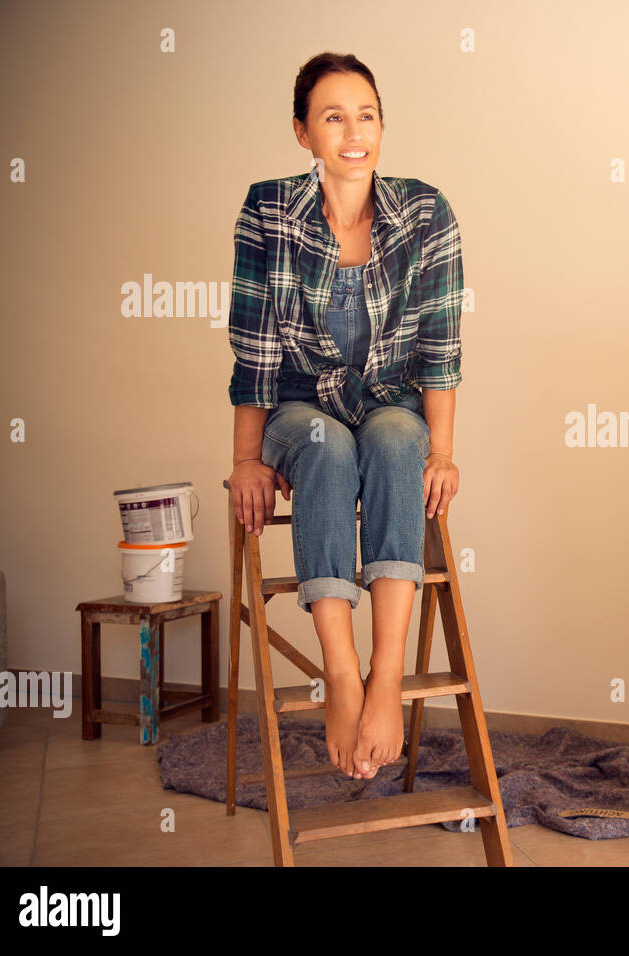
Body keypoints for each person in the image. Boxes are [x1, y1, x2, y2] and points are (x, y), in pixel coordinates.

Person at [225, 52, 463, 781]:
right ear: (303, 133)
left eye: (366, 115)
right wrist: (245, 461)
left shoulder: (425, 213)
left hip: (391, 402)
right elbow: (257, 351)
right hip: (299, 408)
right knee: (327, 446)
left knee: (393, 439)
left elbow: (440, 351)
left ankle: (384, 676)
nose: (352, 131)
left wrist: (443, 451)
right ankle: (342, 673)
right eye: (332, 116)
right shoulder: (268, 210)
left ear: (382, 126)